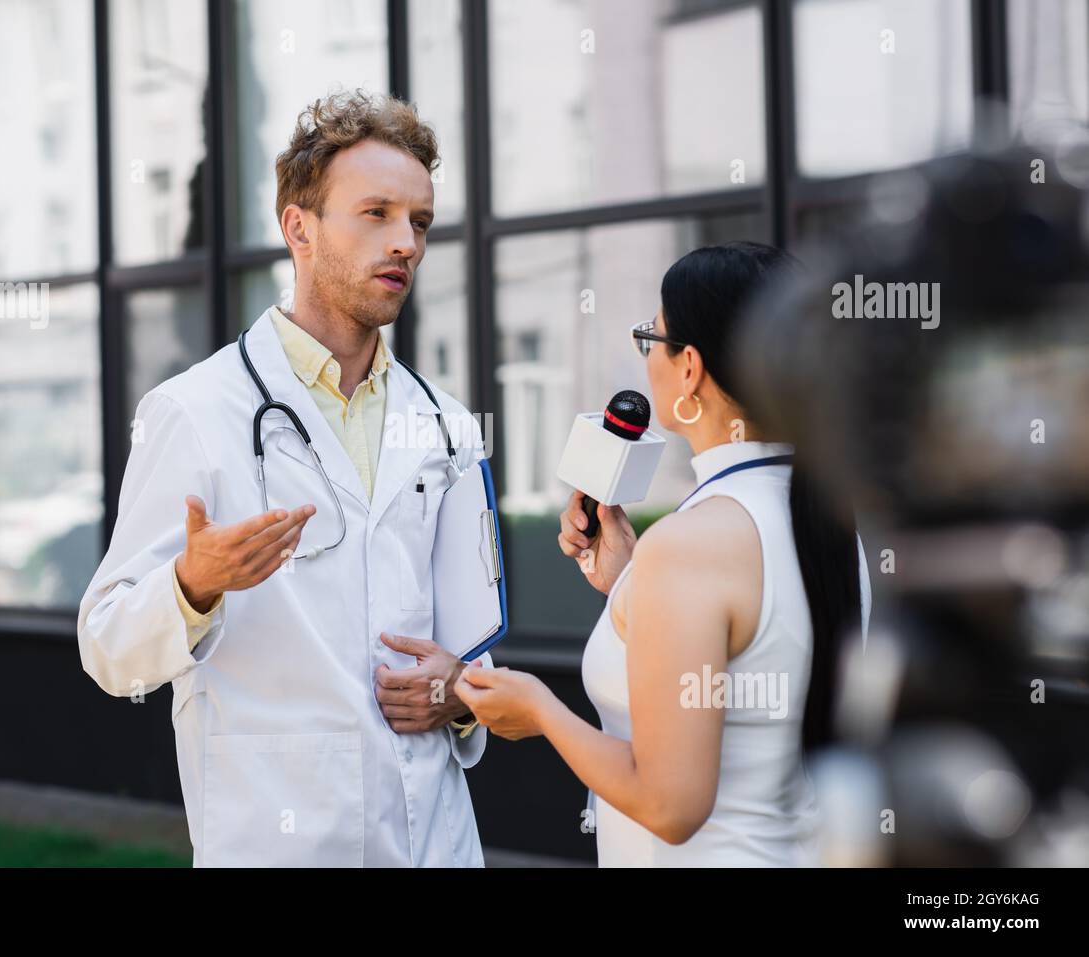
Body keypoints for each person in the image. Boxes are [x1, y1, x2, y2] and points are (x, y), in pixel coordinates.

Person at [78, 90, 492, 867]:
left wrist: (459, 692)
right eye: (376, 213)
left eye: (420, 222)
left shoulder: (447, 427)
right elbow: (107, 647)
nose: (405, 242)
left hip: (435, 841)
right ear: (299, 228)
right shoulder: (195, 411)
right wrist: (191, 585)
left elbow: (473, 639)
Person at [455, 242, 871, 866]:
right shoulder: (826, 516)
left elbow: (671, 806)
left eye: (652, 335)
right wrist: (631, 587)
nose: (646, 352)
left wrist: (540, 710)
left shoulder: (694, 543)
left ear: (690, 368)